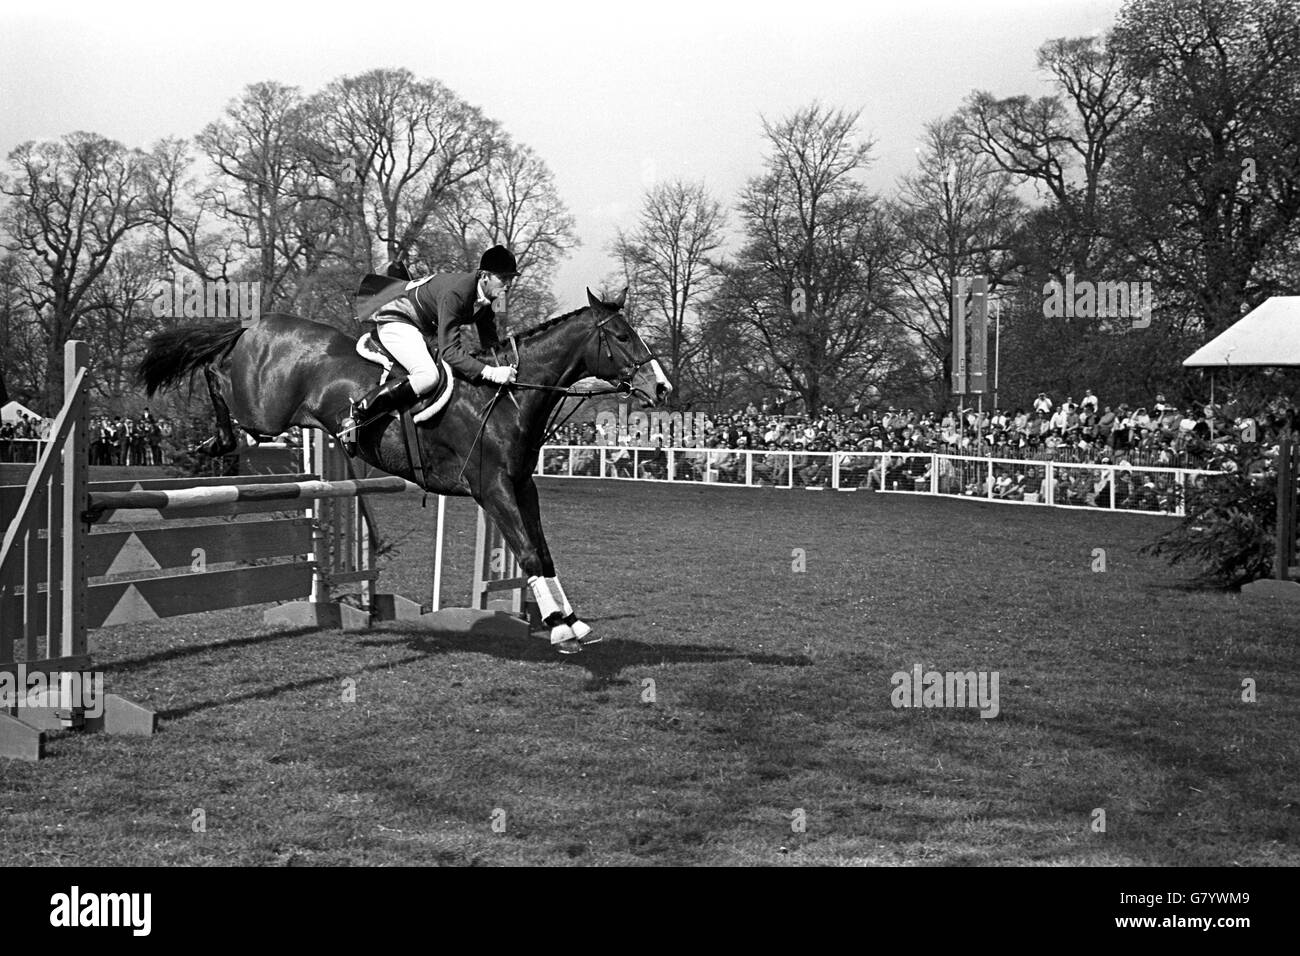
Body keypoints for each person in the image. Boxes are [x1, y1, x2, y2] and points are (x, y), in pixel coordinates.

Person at [346, 246, 520, 433]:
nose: (508, 284)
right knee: (428, 376)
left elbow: (490, 339)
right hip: (398, 319)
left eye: (511, 278)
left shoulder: (493, 297)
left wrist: (503, 363)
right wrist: (491, 373)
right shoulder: (457, 293)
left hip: (420, 328)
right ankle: (356, 414)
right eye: (503, 278)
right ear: (485, 276)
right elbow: (450, 351)